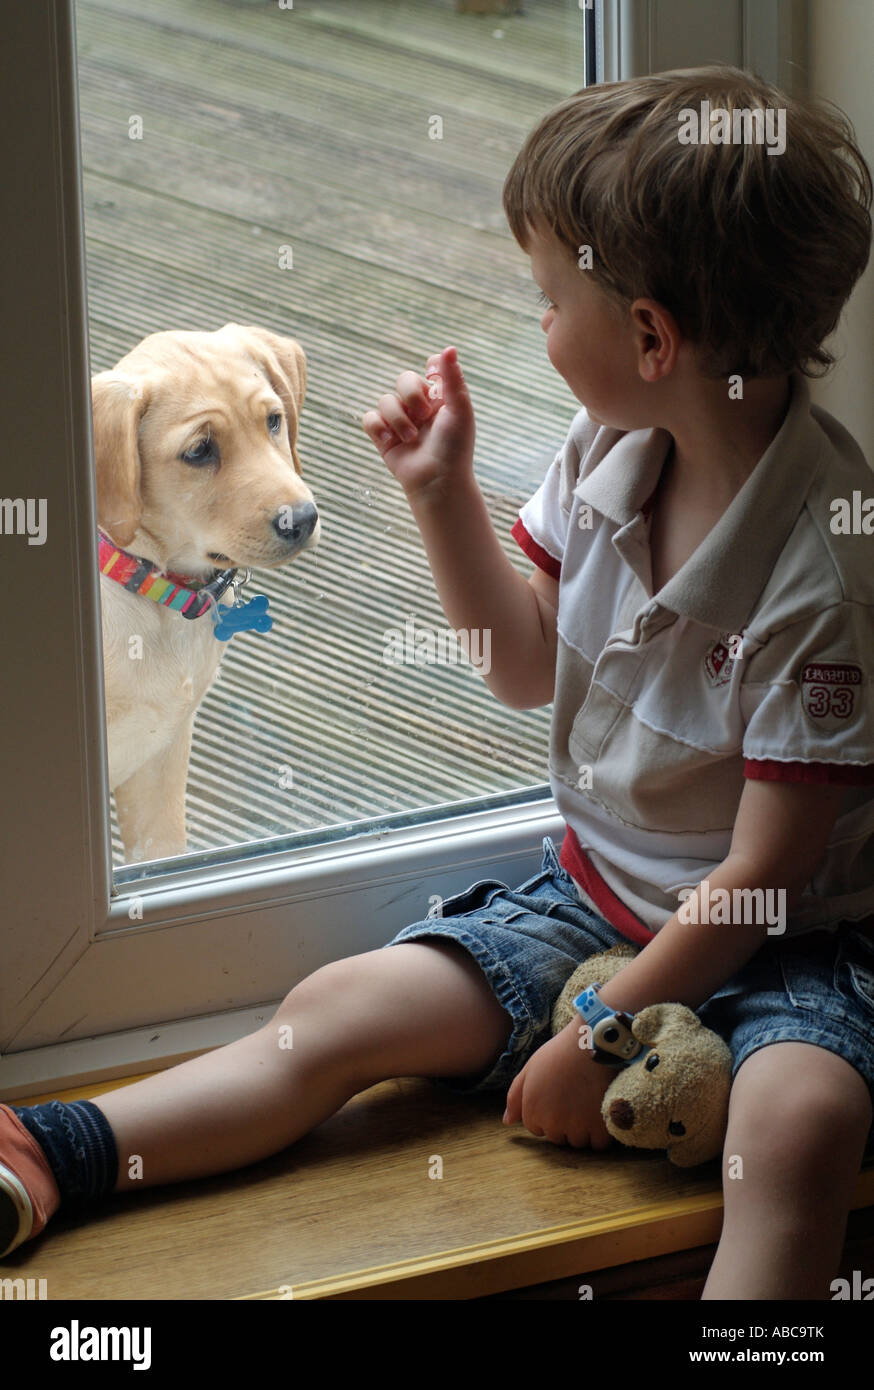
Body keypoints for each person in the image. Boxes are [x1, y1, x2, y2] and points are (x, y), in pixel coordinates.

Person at [3, 64, 874, 1300]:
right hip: (600, 900)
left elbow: (762, 880)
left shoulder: (821, 575)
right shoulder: (613, 451)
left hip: (797, 947)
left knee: (796, 1129)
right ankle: (54, 1146)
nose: (536, 323)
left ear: (648, 337)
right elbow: (520, 664)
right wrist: (440, 491)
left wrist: (596, 1029)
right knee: (341, 1005)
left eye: (547, 297)